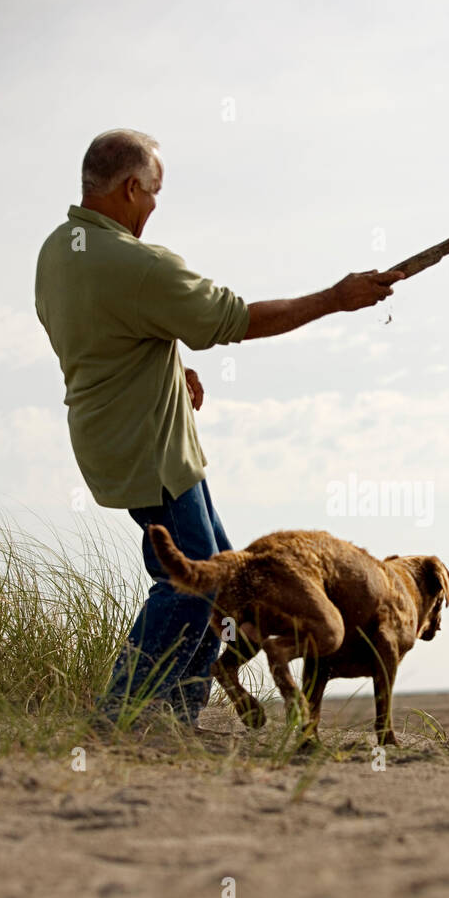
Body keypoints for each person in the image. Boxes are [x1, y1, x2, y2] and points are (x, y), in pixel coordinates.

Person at [35, 128, 403, 732]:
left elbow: (97, 328)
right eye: (153, 193)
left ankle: (176, 714)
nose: (155, 205)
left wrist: (169, 365)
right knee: (193, 580)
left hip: (115, 438)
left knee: (227, 575)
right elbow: (236, 319)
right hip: (148, 448)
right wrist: (337, 298)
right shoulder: (137, 264)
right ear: (131, 188)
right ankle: (128, 713)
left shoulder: (59, 250)